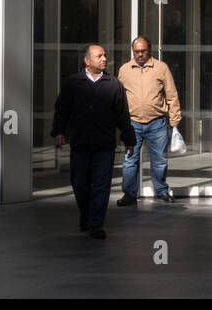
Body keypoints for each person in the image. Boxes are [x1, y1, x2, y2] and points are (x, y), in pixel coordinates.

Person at [51, 43, 135, 239]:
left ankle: (96, 224)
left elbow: (123, 115)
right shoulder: (73, 83)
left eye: (104, 56)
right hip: (80, 143)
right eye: (99, 56)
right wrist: (58, 132)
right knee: (80, 183)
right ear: (87, 61)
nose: (104, 59)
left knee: (101, 185)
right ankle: (86, 215)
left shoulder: (113, 84)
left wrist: (129, 139)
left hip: (104, 144)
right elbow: (62, 109)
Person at [116, 36, 182, 205]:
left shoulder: (161, 68)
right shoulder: (125, 70)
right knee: (130, 160)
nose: (139, 55)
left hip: (157, 122)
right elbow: (118, 97)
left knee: (159, 160)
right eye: (136, 51)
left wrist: (174, 121)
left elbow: (171, 95)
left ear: (149, 50)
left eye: (143, 51)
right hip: (132, 123)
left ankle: (161, 191)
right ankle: (130, 194)